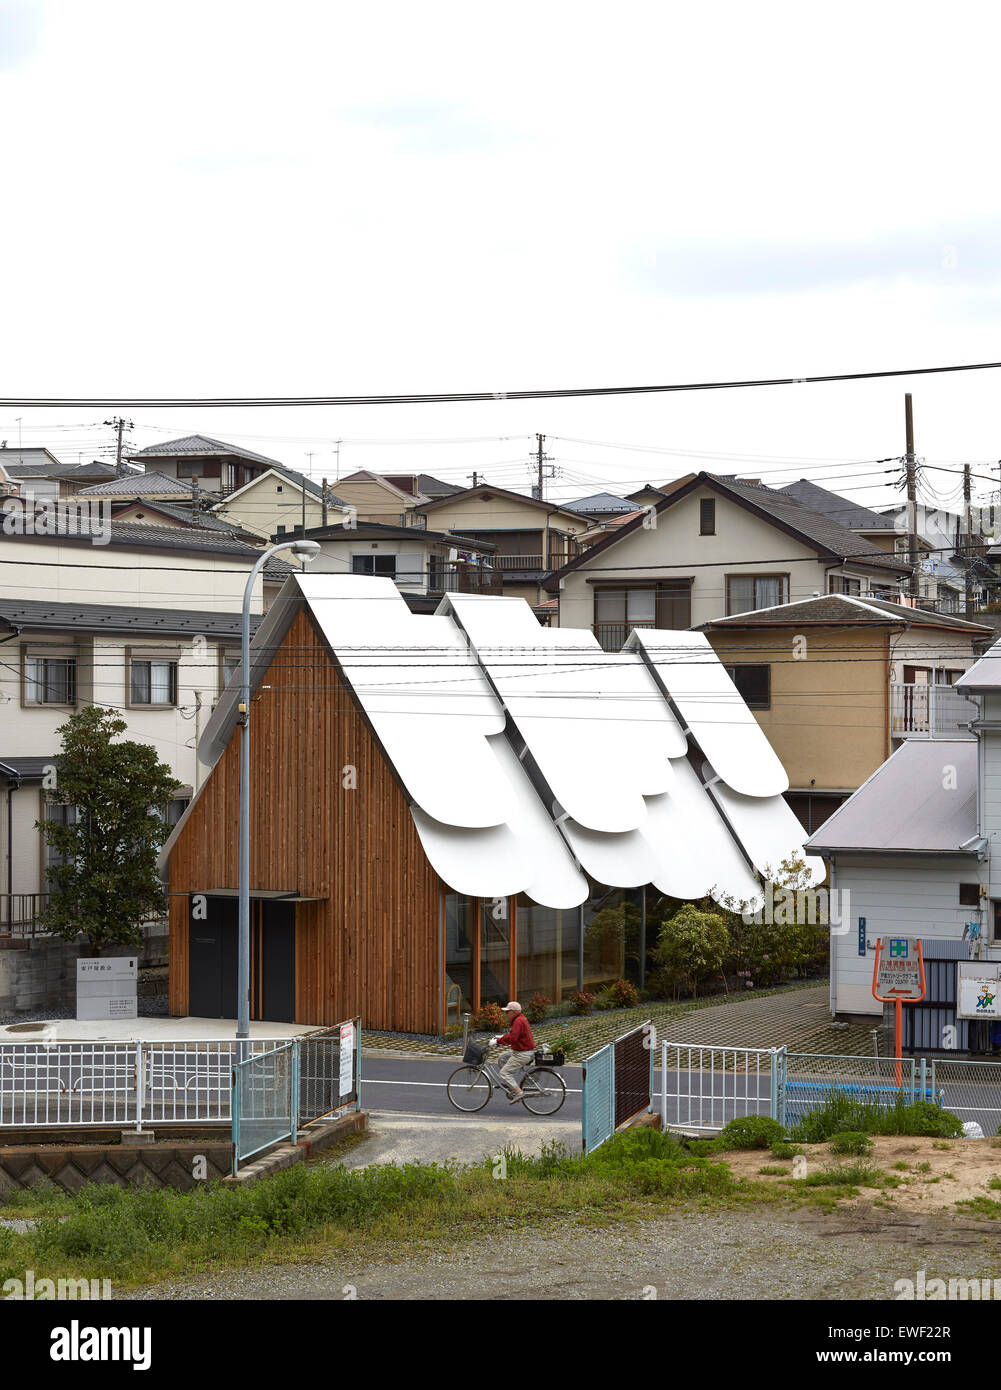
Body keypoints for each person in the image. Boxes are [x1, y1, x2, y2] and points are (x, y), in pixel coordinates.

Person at [493, 1001, 535, 1102]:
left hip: (522, 1053)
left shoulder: (519, 1021)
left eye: (507, 1012)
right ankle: (508, 1083)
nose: (506, 1014)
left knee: (504, 1073)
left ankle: (519, 1092)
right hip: (521, 1050)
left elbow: (512, 1038)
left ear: (513, 1012)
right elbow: (513, 1035)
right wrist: (501, 1037)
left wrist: (498, 1041)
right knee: (502, 1057)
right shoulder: (519, 1019)